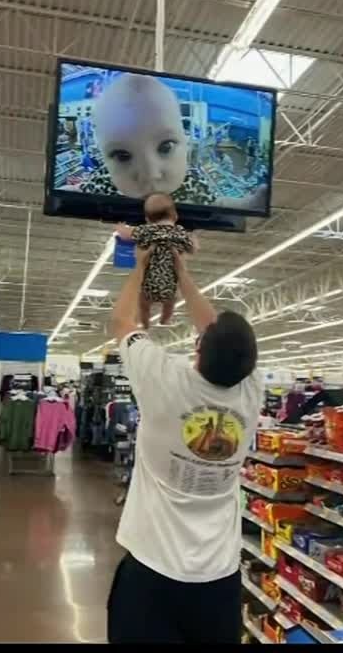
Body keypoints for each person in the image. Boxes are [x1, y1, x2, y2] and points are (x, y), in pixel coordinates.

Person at [105, 245, 264, 644]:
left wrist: (144, 266)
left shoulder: (163, 381)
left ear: (198, 348)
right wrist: (182, 272)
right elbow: (218, 335)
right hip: (218, 579)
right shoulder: (251, 391)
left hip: (151, 573)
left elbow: (122, 319)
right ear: (250, 363)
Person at [91, 73, 189, 197]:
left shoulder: (196, 187)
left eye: (166, 147)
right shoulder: (100, 188)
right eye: (122, 156)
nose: (150, 175)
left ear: (186, 143)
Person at [113, 193, 198, 326]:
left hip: (148, 286)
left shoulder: (146, 231)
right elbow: (193, 249)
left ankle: (145, 322)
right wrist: (192, 238)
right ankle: (165, 318)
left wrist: (120, 227)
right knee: (170, 303)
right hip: (169, 286)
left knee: (143, 305)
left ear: (147, 219)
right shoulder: (180, 233)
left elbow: (125, 235)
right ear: (175, 216)